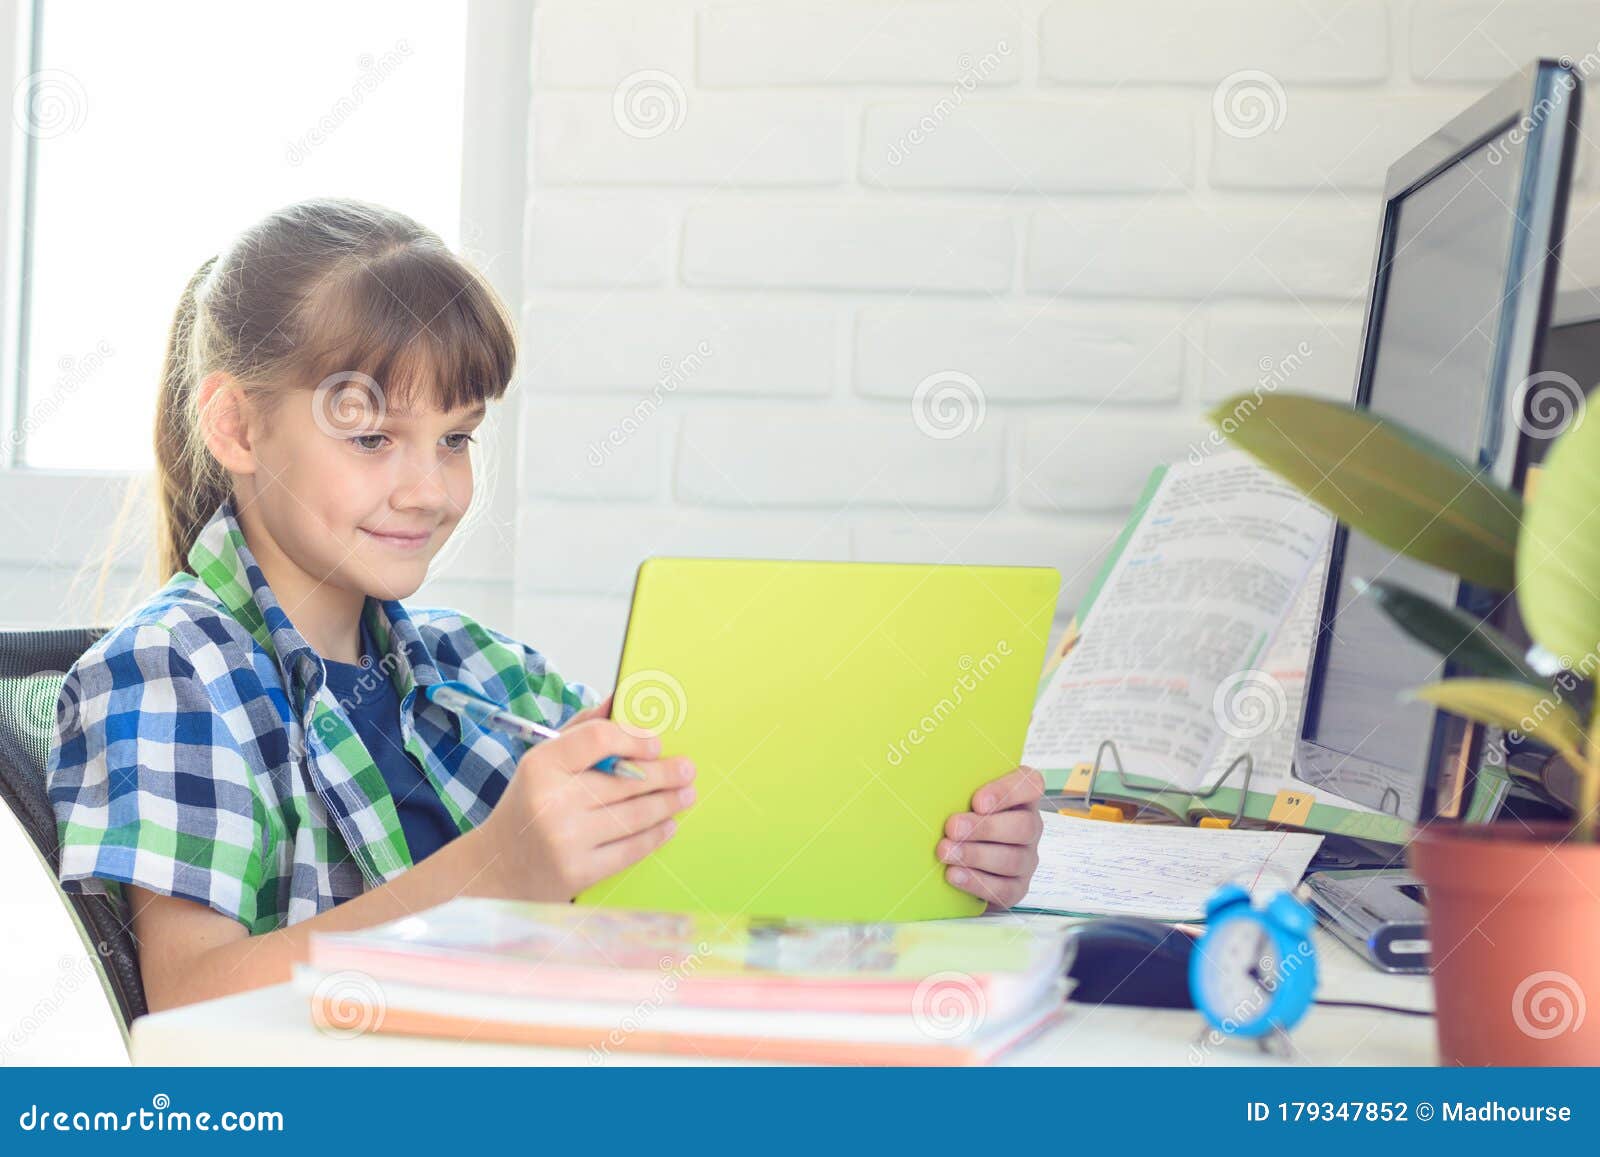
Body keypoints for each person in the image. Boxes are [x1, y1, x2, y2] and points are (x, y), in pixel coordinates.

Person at [45, 197, 1045, 1012]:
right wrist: (498, 866)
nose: (430, 489)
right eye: (371, 436)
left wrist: (935, 849)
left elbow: (698, 873)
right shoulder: (173, 672)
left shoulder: (482, 673)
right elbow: (190, 998)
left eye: (456, 438)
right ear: (236, 424)